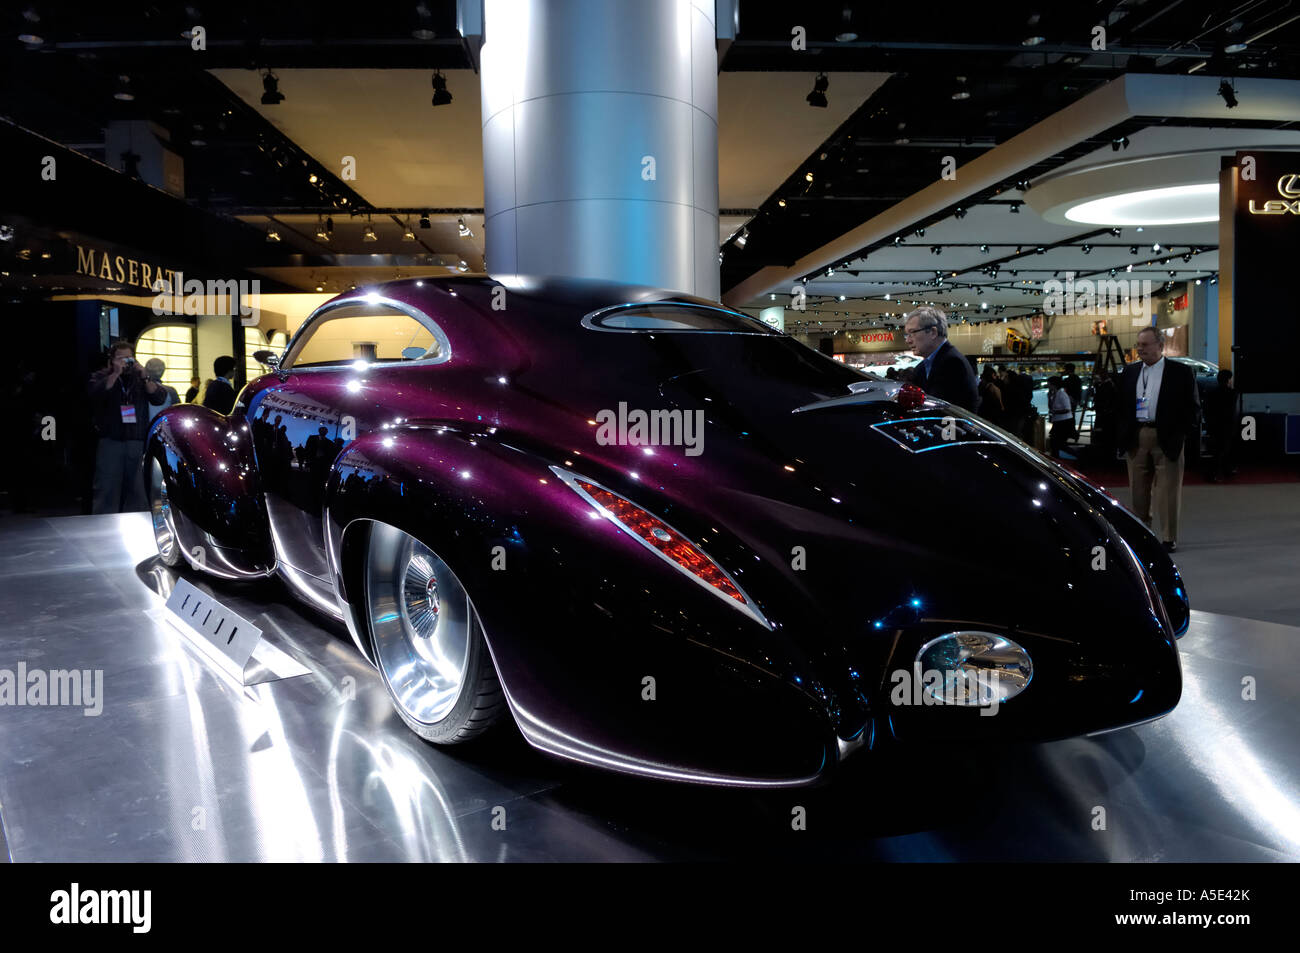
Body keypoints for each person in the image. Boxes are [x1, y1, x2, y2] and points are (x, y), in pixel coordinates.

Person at [1115, 327, 1201, 552]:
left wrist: (1181, 433)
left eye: (1145, 344)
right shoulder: (1130, 372)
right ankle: (1142, 533)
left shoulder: (1180, 372)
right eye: (1138, 344)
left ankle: (1168, 538)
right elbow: (1121, 407)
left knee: (1168, 491)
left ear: (1160, 346)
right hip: (1137, 437)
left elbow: (1193, 408)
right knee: (1138, 492)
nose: (1140, 348)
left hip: (1168, 438)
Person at [87, 339, 167, 513]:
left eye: (128, 358)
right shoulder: (101, 376)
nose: (125, 362)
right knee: (106, 487)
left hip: (137, 441)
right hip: (111, 440)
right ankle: (103, 525)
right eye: (120, 358)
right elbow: (95, 395)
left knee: (138, 489)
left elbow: (159, 397)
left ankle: (137, 523)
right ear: (111, 360)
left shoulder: (141, 377)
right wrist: (115, 373)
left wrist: (144, 375)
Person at [902, 306, 977, 410]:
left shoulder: (952, 363)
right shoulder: (922, 368)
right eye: (907, 334)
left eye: (912, 333)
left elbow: (940, 410)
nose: (908, 340)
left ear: (933, 332)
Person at [1204, 368, 1238, 482]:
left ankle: (1219, 472)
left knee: (1217, 450)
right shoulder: (1232, 394)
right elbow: (1232, 411)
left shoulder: (1210, 393)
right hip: (1227, 426)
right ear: (1228, 380)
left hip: (1214, 425)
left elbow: (1206, 410)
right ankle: (1219, 472)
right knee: (1225, 449)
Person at [1047, 375, 1076, 457]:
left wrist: (1055, 412)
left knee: (1059, 444)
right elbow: (1051, 407)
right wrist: (1049, 398)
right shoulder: (1054, 394)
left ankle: (1078, 456)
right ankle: (1055, 459)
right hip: (1058, 421)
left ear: (1053, 384)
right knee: (1055, 444)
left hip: (1064, 422)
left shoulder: (1062, 394)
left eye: (1049, 384)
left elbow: (1067, 409)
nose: (1048, 385)